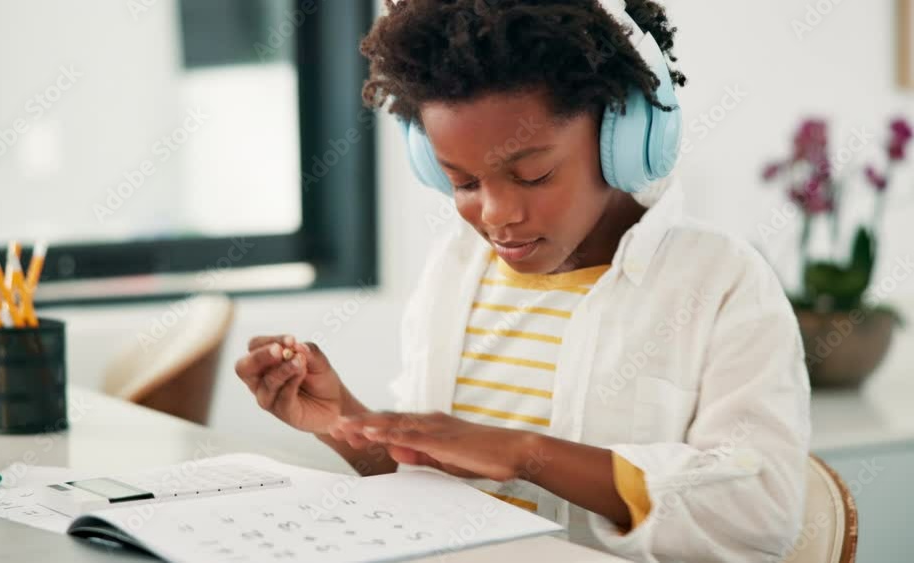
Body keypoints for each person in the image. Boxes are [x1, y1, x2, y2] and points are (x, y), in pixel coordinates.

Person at [236, 1, 811, 560]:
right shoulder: (455, 271)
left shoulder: (720, 283)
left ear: (624, 139)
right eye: (462, 183)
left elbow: (760, 510)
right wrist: (342, 420)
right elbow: (423, 490)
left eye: (533, 174)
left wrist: (526, 454)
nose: (494, 214)